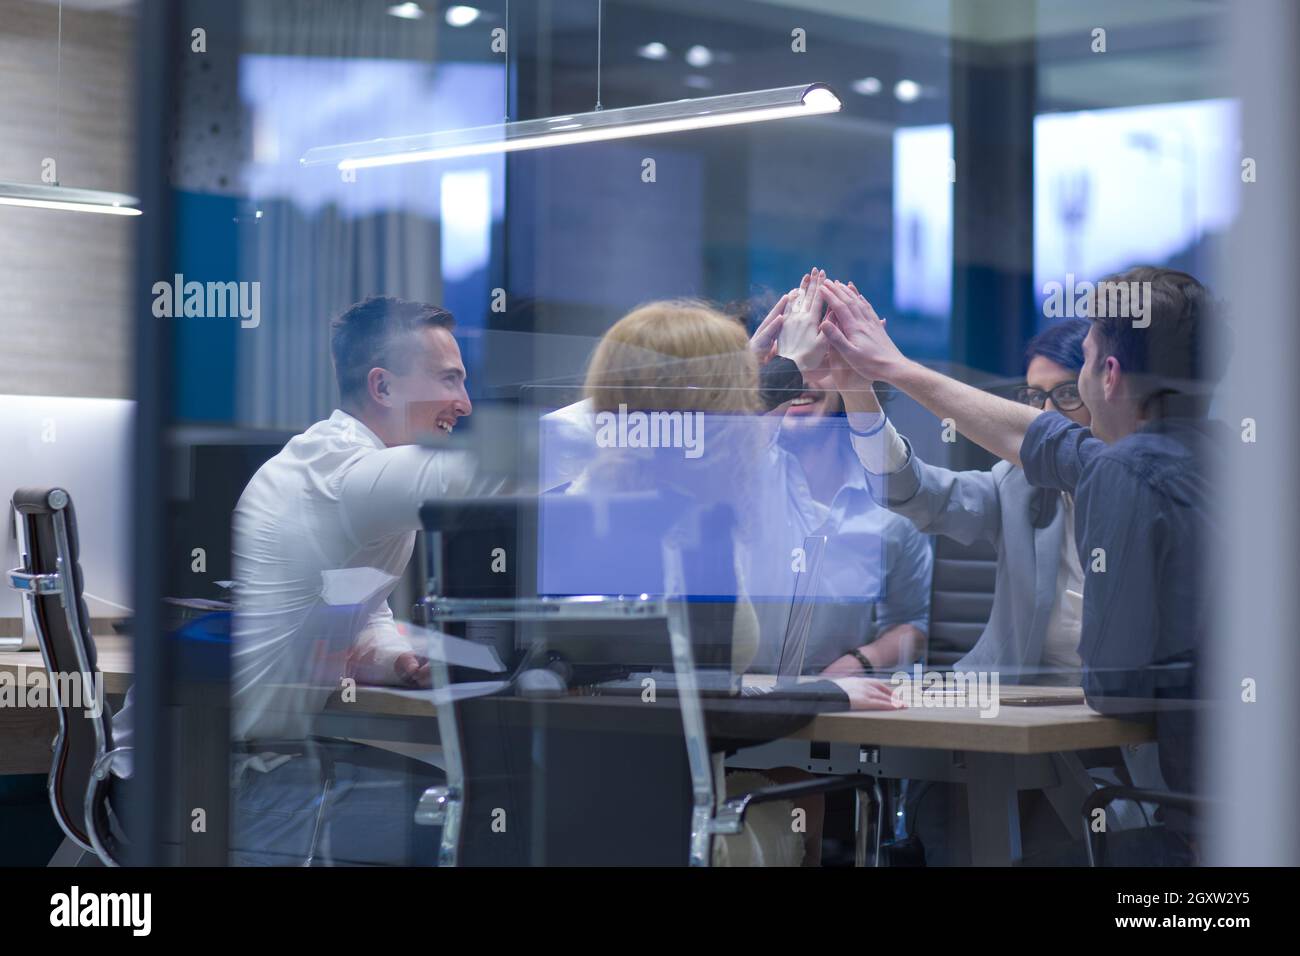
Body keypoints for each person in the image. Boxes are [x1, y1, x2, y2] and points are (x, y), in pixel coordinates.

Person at [819, 267, 1226, 864]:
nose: (1051, 413)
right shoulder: (1204, 461)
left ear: (1105, 378)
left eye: (1068, 387)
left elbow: (1119, 689)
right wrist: (864, 387)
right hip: (1029, 728)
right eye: (1032, 399)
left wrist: (893, 366)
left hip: (1134, 770)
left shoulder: (1127, 473)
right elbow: (916, 492)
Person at [228, 295, 484, 865]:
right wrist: (634, 414)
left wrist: (394, 658)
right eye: (449, 380)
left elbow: (362, 611)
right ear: (383, 388)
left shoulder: (349, 469)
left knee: (481, 802)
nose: (464, 403)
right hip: (218, 779)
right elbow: (495, 471)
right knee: (488, 816)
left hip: (256, 759)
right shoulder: (345, 473)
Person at [753, 270, 932, 677]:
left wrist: (861, 662)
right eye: (792, 359)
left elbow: (912, 624)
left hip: (838, 714)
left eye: (820, 360)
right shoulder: (742, 469)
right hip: (729, 704)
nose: (801, 379)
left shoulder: (892, 492)